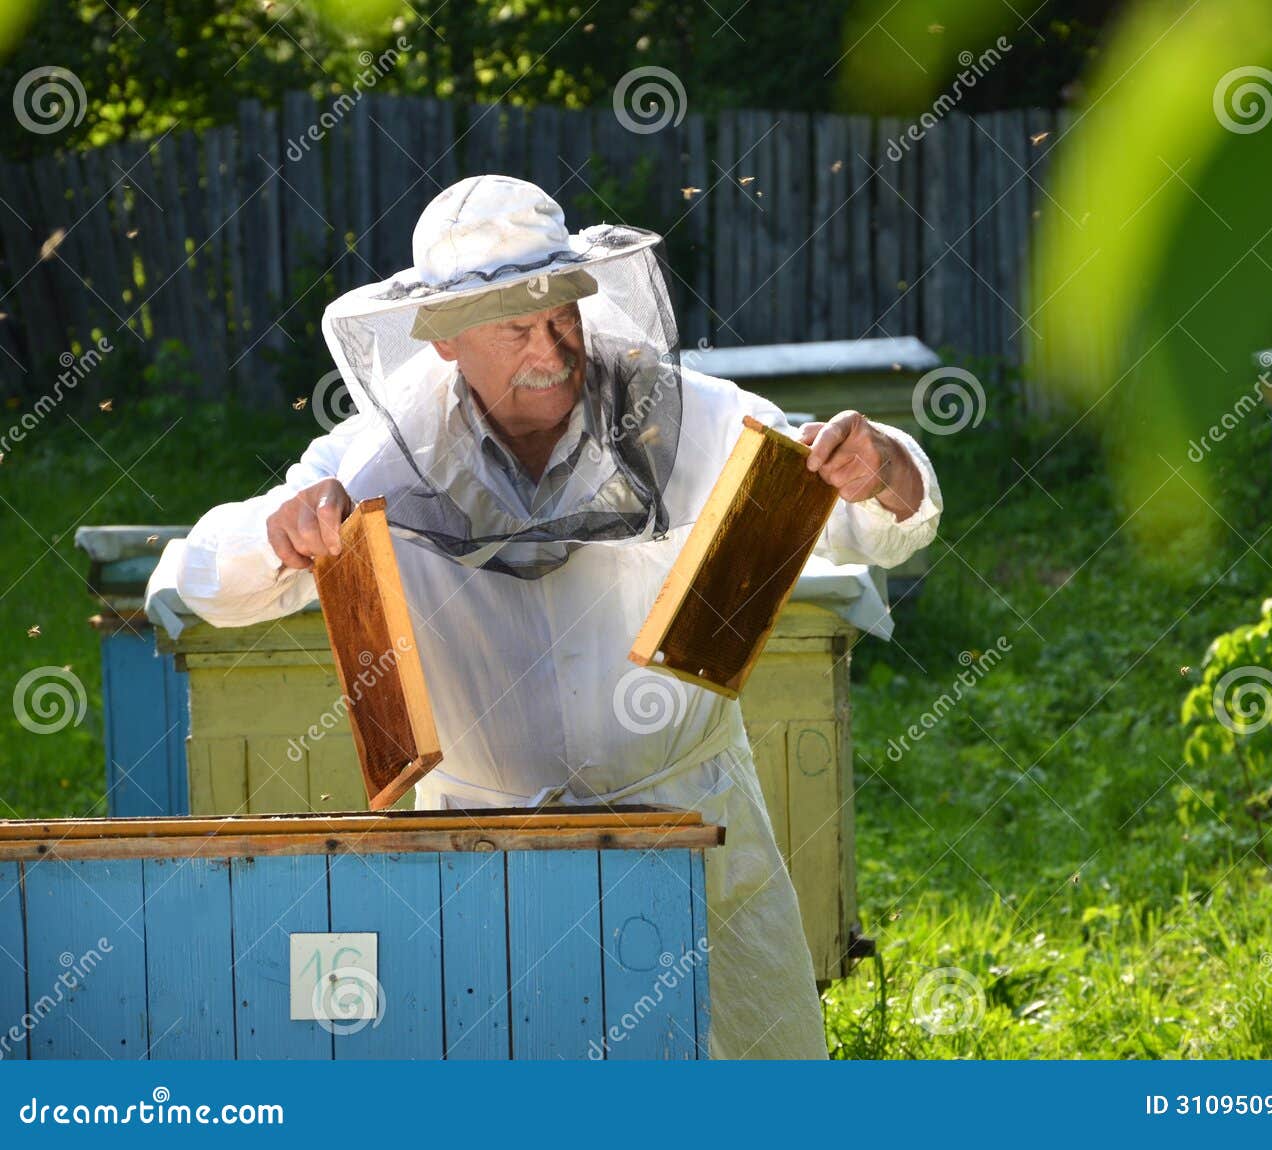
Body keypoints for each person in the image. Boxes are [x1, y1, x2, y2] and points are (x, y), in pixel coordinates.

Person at [174, 175, 943, 1059]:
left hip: (689, 821)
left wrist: (881, 464)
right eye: (515, 328)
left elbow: (879, 523)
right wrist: (279, 533)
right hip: (483, 851)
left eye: (563, 315)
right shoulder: (377, 454)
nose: (553, 347)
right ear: (447, 340)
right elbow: (201, 581)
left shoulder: (682, 413)